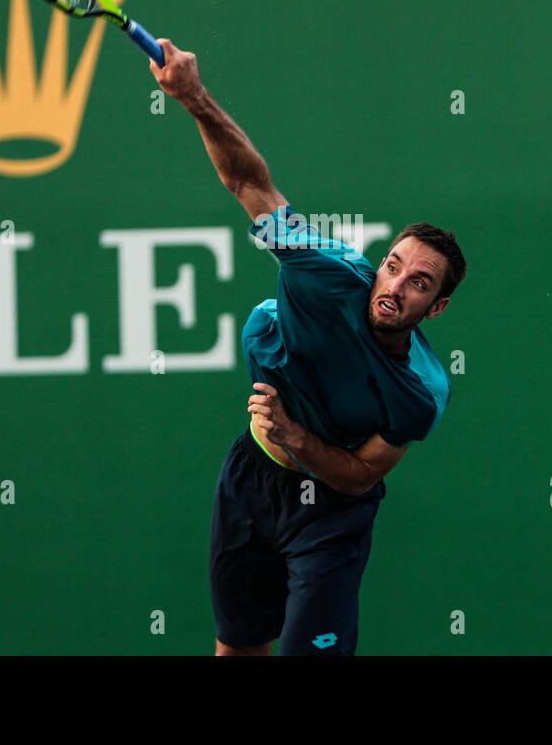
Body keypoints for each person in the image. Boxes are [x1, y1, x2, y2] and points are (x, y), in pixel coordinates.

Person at [149, 39, 467, 656]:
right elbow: (249, 183)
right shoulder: (327, 270)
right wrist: (194, 98)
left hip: (329, 514)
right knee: (238, 648)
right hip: (251, 475)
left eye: (419, 284)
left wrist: (299, 438)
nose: (396, 287)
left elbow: (361, 475)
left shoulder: (422, 391)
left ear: (437, 307)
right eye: (394, 267)